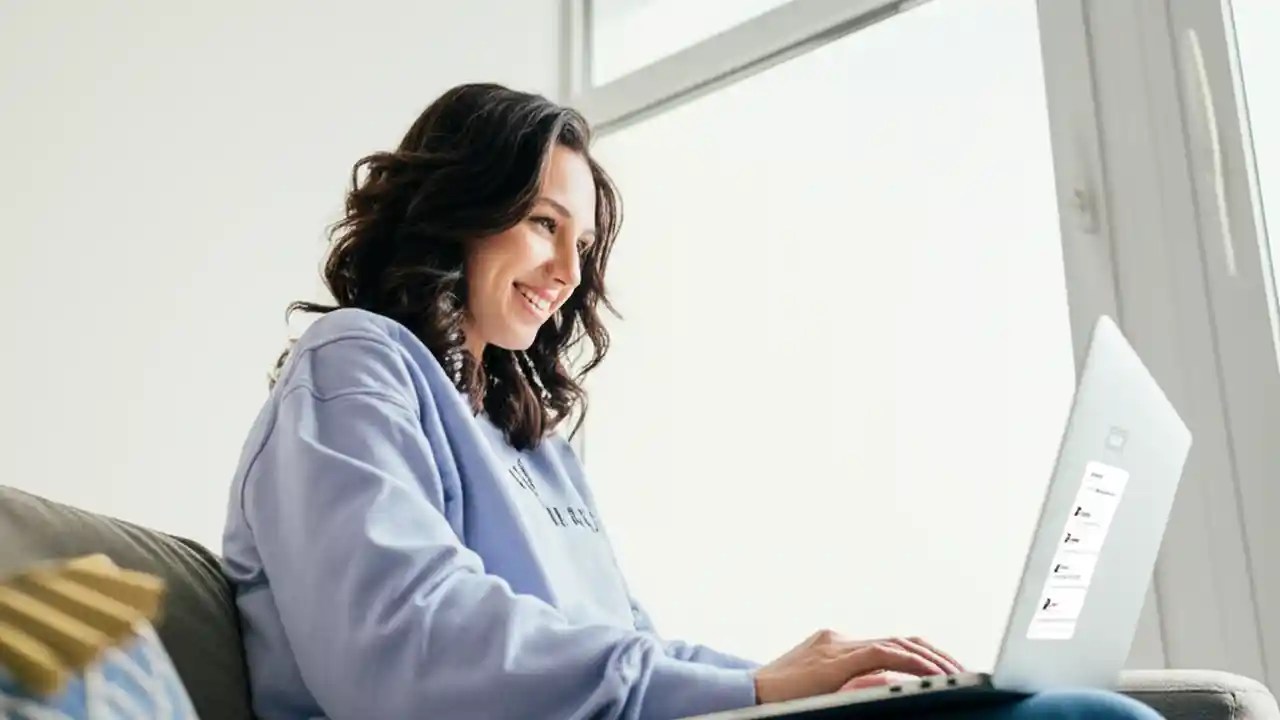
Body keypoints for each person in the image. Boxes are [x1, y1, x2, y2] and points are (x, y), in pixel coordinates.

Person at [220, 83, 1162, 720]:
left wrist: (793, 685)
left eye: (581, 244)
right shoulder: (356, 364)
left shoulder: (525, 432)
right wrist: (752, 690)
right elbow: (404, 649)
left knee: (1048, 709)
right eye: (542, 223)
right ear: (455, 208)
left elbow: (626, 649)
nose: (564, 270)